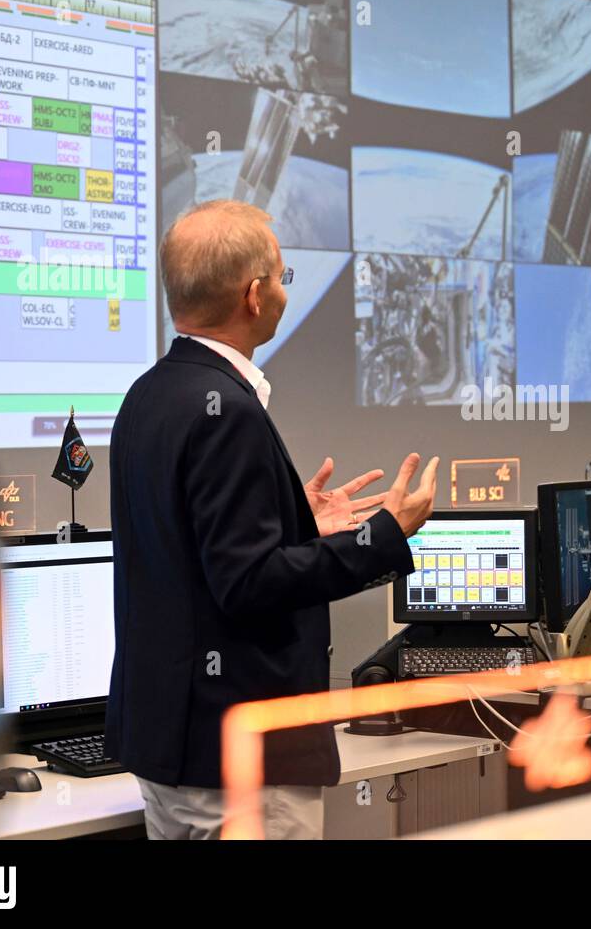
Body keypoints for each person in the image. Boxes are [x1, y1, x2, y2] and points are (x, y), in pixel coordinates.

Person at [106, 199, 439, 838]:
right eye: (284, 277)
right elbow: (247, 584)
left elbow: (194, 553)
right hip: (240, 753)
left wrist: (297, 525)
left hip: (176, 743)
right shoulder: (226, 411)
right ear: (254, 295)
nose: (285, 291)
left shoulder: (149, 393)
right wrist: (384, 533)